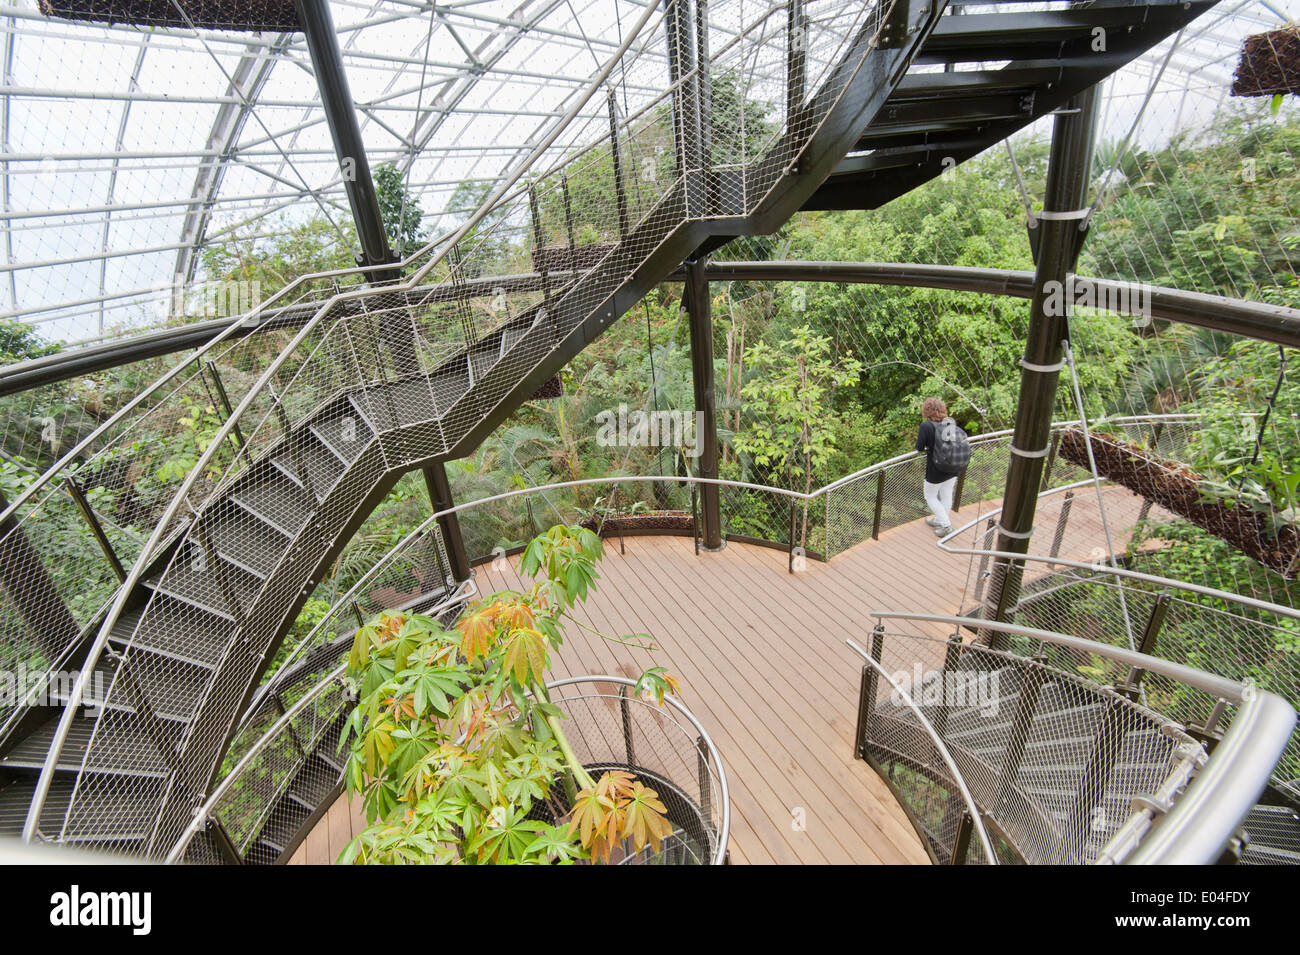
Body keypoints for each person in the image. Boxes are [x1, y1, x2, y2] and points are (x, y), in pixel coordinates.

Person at [916, 397, 960, 537]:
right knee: (946, 493)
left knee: (930, 496)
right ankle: (941, 520)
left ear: (926, 411)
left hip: (936, 469)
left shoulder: (926, 426)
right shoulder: (950, 423)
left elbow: (919, 447)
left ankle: (946, 526)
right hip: (953, 466)